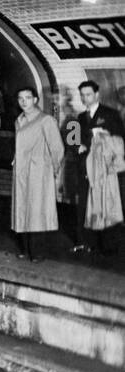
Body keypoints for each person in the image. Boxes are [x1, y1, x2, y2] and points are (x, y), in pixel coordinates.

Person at [69, 79, 125, 254]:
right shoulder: (79, 118)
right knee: (85, 205)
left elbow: (119, 140)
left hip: (104, 170)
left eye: (88, 94)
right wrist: (78, 147)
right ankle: (86, 242)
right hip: (85, 169)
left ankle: (109, 247)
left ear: (97, 95)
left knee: (106, 205)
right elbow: (73, 141)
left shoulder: (110, 114)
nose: (85, 98)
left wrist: (100, 140)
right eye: (82, 95)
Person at [9, 87, 64, 262]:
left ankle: (37, 252)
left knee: (37, 212)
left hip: (39, 173)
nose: (23, 101)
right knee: (22, 209)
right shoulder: (19, 120)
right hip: (21, 172)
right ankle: (25, 249)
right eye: (20, 98)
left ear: (35, 99)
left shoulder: (46, 120)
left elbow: (57, 149)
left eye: (27, 97)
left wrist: (55, 173)